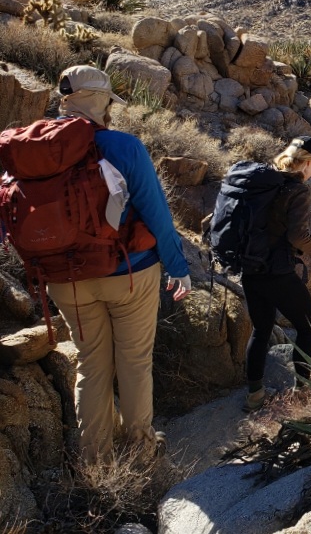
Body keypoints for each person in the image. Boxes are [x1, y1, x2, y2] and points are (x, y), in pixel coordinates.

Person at [46, 65, 191, 465]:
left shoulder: (31, 149)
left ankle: (96, 461)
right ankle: (141, 453)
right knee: (133, 362)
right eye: (108, 101)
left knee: (92, 365)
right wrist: (178, 266)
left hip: (64, 280)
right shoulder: (123, 147)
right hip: (128, 273)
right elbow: (157, 214)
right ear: (98, 102)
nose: (110, 109)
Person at [241, 136, 311, 412]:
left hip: (251, 268)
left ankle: (254, 396)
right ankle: (302, 393)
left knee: (261, 329)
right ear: (309, 162)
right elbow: (296, 235)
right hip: (277, 272)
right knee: (308, 328)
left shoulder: (264, 181)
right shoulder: (297, 190)